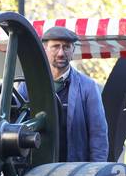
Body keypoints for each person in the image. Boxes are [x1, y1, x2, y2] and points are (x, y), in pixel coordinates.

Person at [41, 26, 108, 161]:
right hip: (37, 173)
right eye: (55, 47)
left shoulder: (88, 87)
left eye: (66, 47)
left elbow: (98, 135)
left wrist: (95, 174)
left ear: (73, 50)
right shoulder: (28, 85)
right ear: (45, 49)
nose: (61, 53)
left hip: (74, 174)